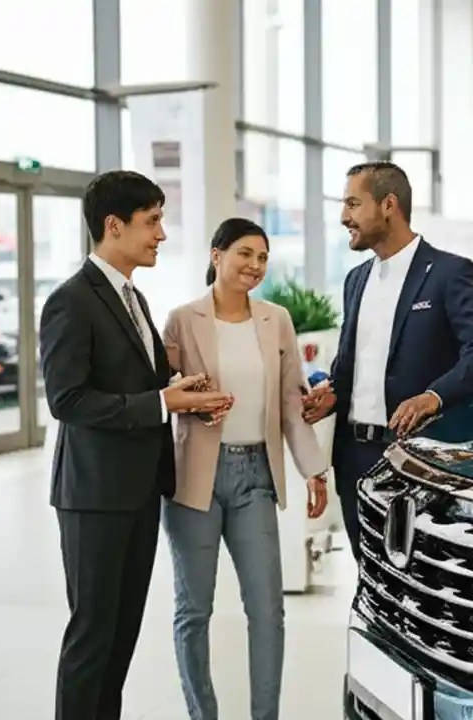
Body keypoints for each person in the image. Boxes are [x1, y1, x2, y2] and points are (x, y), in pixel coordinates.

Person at [39, 170, 231, 720]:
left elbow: (134, 385)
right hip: (94, 496)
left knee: (120, 638)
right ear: (113, 226)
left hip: (140, 491)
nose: (161, 235)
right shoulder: (71, 301)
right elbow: (68, 400)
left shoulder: (134, 298)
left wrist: (177, 390)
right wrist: (163, 404)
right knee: (92, 637)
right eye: (152, 222)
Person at [161, 217, 331, 720]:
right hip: (194, 477)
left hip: (256, 473)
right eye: (244, 254)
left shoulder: (275, 319)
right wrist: (191, 401)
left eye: (262, 258)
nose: (254, 266)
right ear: (216, 255)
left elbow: (289, 402)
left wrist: (313, 471)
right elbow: (166, 393)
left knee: (268, 611)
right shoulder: (181, 320)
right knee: (194, 611)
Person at [302, 161, 473, 558]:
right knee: (368, 578)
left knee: (417, 581)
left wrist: (433, 396)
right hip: (354, 458)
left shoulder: (449, 272)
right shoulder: (355, 280)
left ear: (388, 204)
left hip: (415, 458)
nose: (345, 217)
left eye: (353, 204)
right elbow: (353, 363)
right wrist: (333, 392)